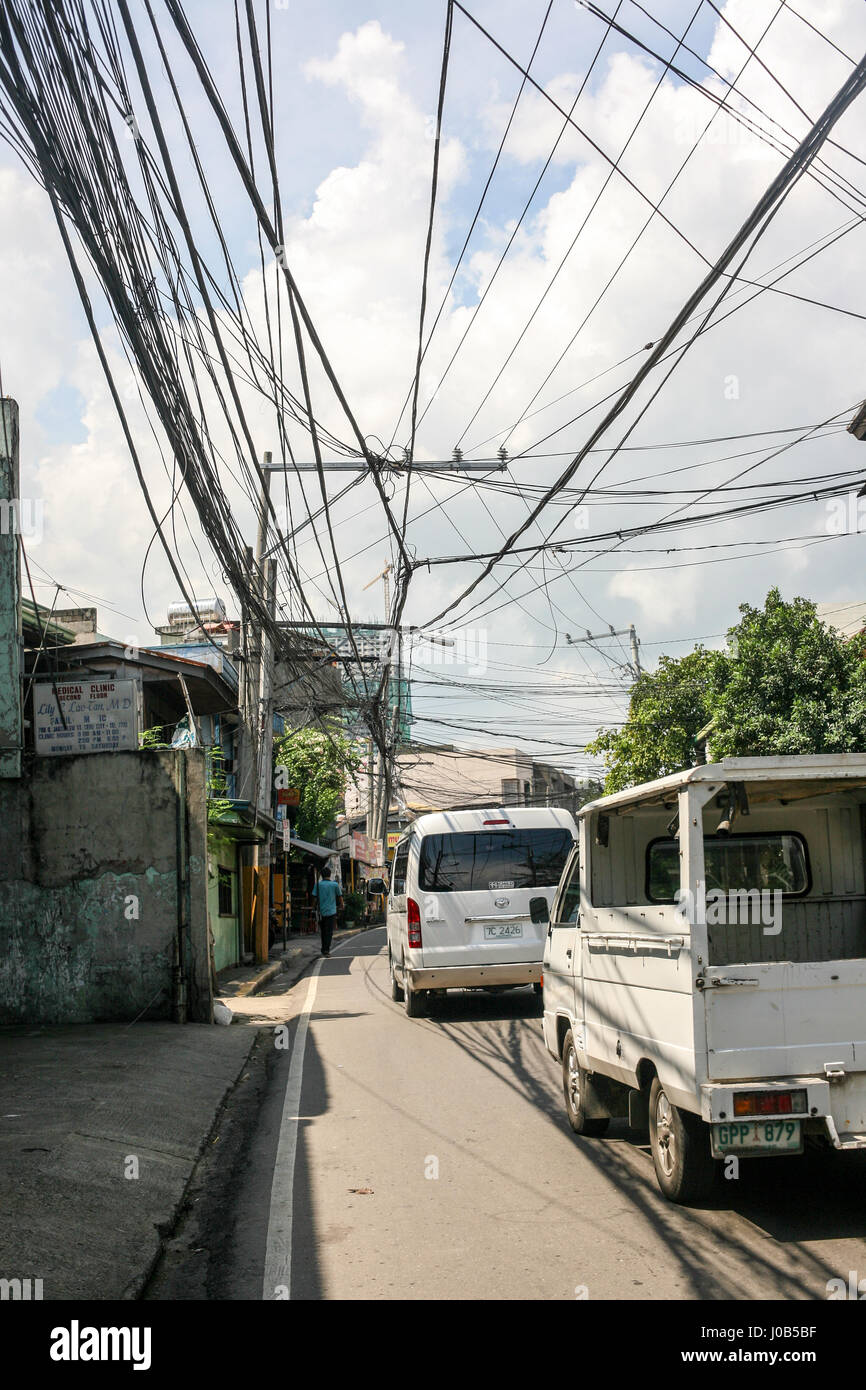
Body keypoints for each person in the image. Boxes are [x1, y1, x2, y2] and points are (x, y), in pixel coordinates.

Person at [312, 865, 343, 958]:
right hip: (332, 912)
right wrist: (342, 905)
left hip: (321, 912)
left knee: (323, 931)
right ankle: (326, 950)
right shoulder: (334, 885)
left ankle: (323, 949)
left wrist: (313, 907)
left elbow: (314, 898)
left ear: (321, 875)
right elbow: (340, 897)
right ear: (330, 875)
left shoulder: (318, 885)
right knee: (329, 932)